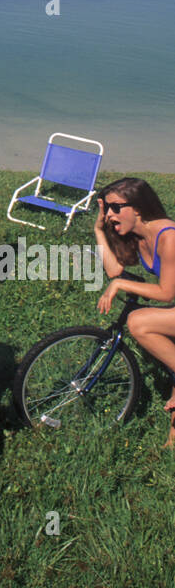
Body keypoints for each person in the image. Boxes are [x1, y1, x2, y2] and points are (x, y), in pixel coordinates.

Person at [95, 178, 175, 444]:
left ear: (138, 208)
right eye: (106, 208)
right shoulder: (138, 236)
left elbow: (166, 293)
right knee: (141, 322)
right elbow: (113, 270)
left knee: (138, 322)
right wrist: (98, 229)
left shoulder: (169, 237)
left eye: (116, 208)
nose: (109, 215)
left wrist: (120, 284)